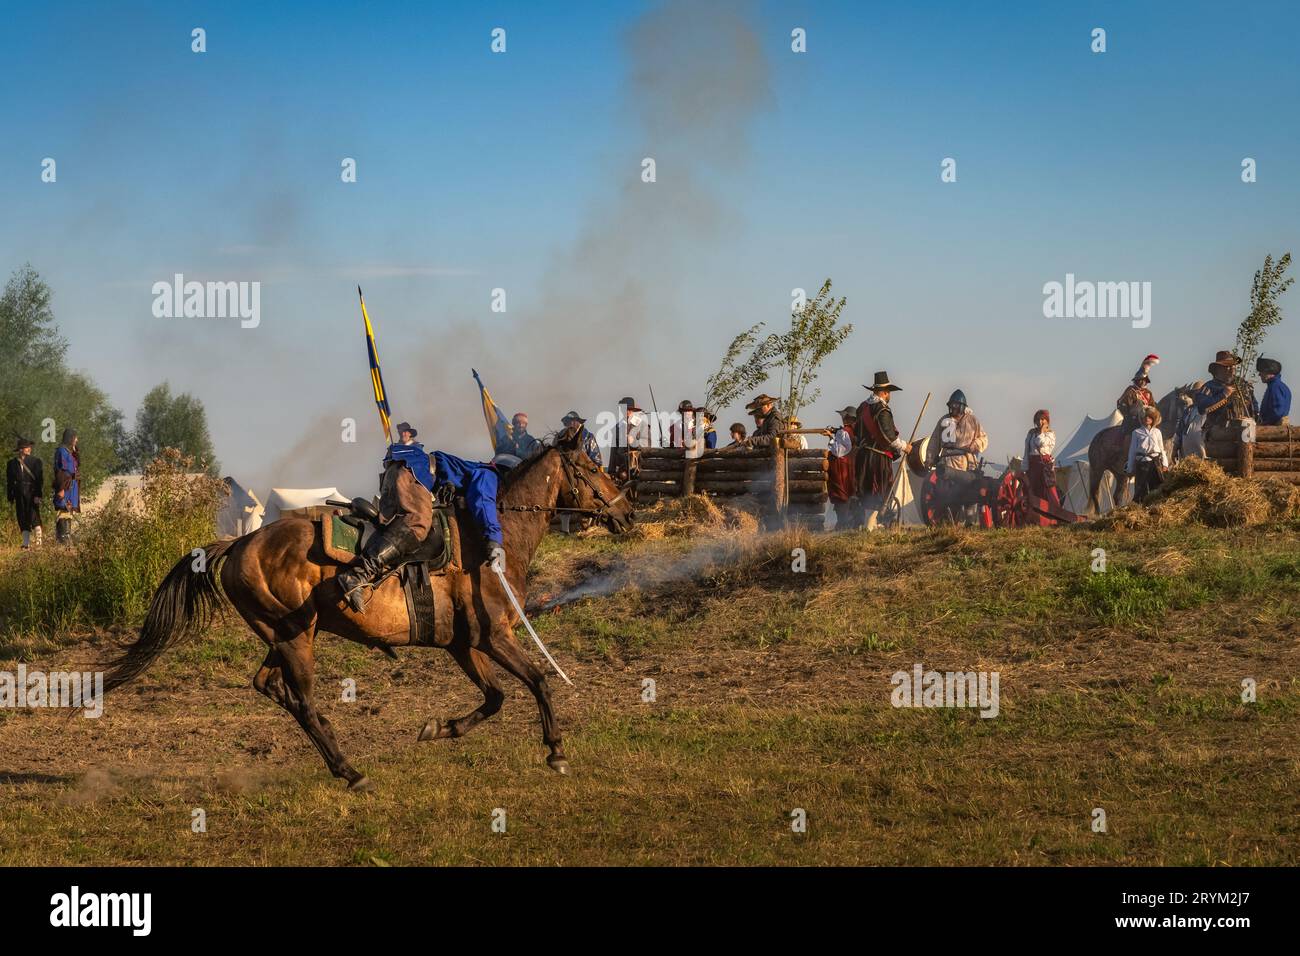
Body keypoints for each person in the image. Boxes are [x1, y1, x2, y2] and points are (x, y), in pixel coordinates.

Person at [337, 425, 436, 612]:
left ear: (411, 434)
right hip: (402, 480)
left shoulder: (411, 450)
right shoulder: (405, 452)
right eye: (402, 431)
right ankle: (358, 575)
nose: (403, 433)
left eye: (406, 432)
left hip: (400, 479)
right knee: (417, 523)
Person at [856, 372, 911, 531]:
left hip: (863, 456)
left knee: (869, 493)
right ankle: (869, 526)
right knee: (877, 492)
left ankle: (870, 526)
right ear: (885, 392)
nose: (889, 396)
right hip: (877, 458)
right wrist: (905, 446)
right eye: (889, 393)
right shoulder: (882, 409)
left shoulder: (863, 407)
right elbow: (890, 438)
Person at [1195, 351, 1257, 431]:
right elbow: (1202, 408)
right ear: (1218, 369)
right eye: (1227, 366)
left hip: (1245, 431)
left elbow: (1254, 404)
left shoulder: (1242, 384)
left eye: (1233, 366)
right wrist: (1224, 394)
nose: (1232, 369)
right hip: (1218, 434)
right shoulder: (1209, 387)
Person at [6, 437, 44, 550]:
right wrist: (10, 496)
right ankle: (25, 543)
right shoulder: (11, 463)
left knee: (34, 516)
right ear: (21, 449)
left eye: (29, 447)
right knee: (22, 517)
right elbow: (10, 481)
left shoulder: (36, 461)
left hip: (32, 492)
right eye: (26, 447)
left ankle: (38, 543)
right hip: (18, 493)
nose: (29, 449)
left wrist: (38, 495)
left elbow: (39, 480)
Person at [1126, 405, 1169, 502]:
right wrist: (1130, 467)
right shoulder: (1136, 432)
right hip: (1142, 463)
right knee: (1142, 488)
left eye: (1149, 417)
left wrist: (1165, 464)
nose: (1147, 419)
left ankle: (1157, 506)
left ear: (1153, 419)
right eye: (1145, 417)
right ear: (1142, 419)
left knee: (1157, 486)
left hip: (1155, 463)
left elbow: (1162, 449)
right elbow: (1132, 451)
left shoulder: (1157, 432)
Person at [1022, 410, 1063, 510]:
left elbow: (1040, 442)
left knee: (1048, 488)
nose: (1039, 421)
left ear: (1046, 421)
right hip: (1032, 463)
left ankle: (1055, 511)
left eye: (1042, 419)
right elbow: (1027, 448)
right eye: (1037, 419)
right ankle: (1034, 512)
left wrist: (1041, 431)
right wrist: (1025, 466)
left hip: (1044, 464)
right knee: (1032, 488)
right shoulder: (1031, 433)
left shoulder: (1050, 434)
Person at [826, 406, 859, 529]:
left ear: (848, 417)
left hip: (841, 469)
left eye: (844, 416)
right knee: (846, 494)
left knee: (840, 494)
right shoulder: (853, 431)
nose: (842, 419)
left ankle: (843, 523)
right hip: (849, 467)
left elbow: (839, 451)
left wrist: (831, 438)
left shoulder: (844, 432)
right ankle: (845, 523)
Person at [1116, 354, 1159, 435]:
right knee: (1128, 434)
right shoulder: (1131, 391)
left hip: (1146, 420)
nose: (1143, 382)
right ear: (1136, 380)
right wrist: (1132, 414)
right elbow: (1122, 404)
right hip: (1132, 420)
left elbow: (1153, 406)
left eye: (1145, 380)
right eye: (1141, 380)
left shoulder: (1148, 393)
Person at [52, 427, 80, 543]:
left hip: (72, 485)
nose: (77, 440)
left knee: (68, 511)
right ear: (70, 438)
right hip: (65, 484)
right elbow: (60, 471)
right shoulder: (61, 451)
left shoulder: (69, 451)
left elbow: (78, 464)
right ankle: (62, 540)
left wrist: (75, 450)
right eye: (75, 438)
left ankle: (67, 538)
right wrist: (61, 489)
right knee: (63, 509)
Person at [609, 397, 647, 483]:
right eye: (625, 409)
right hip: (622, 467)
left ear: (633, 411)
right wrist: (611, 470)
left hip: (638, 466)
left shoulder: (642, 425)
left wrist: (634, 442)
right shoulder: (618, 427)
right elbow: (614, 449)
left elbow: (647, 443)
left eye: (629, 410)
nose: (627, 412)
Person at [1257, 356, 1291, 426]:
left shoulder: (1275, 387)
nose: (1259, 374)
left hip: (1273, 429)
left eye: (1261, 371)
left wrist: (1264, 423)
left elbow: (1278, 412)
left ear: (1269, 372)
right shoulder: (1279, 386)